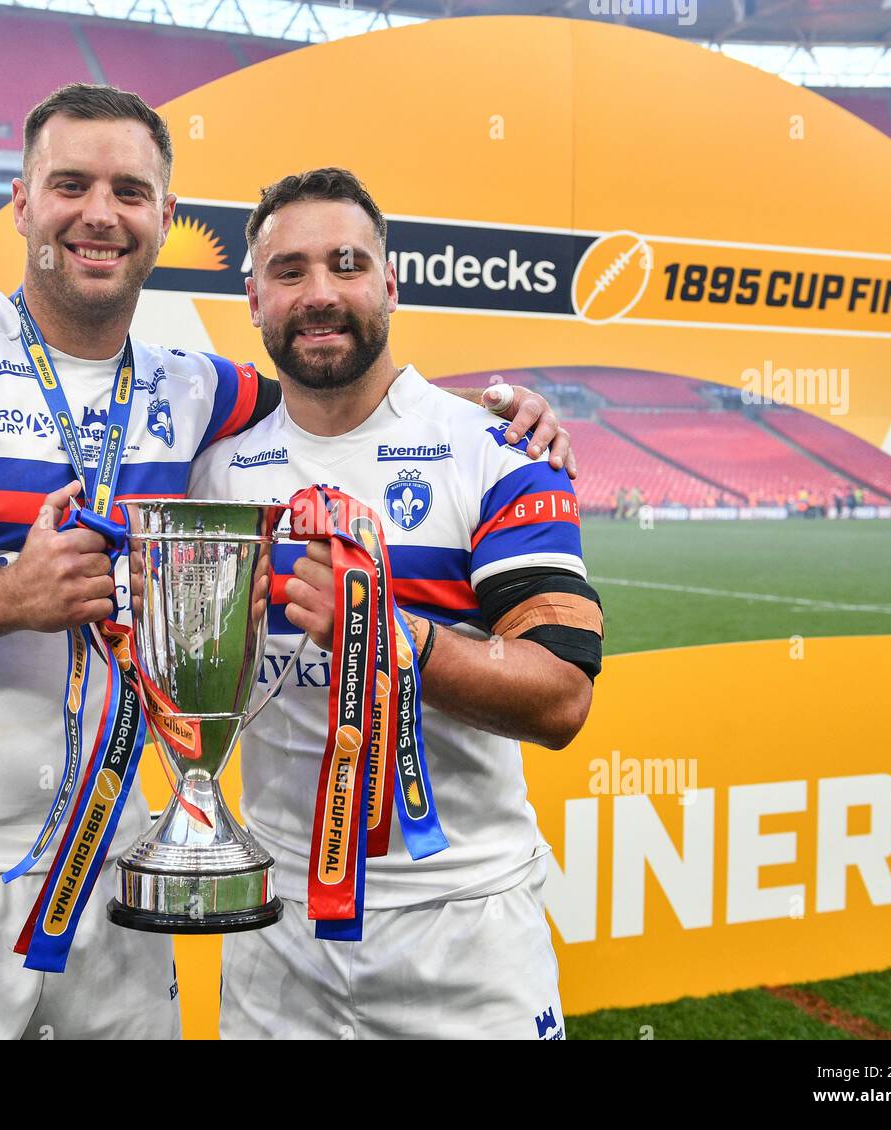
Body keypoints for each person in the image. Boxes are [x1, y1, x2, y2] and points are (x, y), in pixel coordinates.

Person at [0, 86, 570, 1041]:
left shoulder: (199, 393)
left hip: (118, 881)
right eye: (70, 185)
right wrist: (1, 596)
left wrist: (498, 410)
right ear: (20, 203)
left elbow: (343, 390)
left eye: (131, 192)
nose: (100, 214)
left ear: (165, 220)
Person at [189, 169, 601, 1040]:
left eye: (347, 264)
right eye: (290, 272)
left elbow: (562, 698)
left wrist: (384, 633)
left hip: (463, 927)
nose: (321, 294)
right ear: (254, 296)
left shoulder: (499, 451)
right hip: (276, 930)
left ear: (390, 283)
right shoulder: (216, 473)